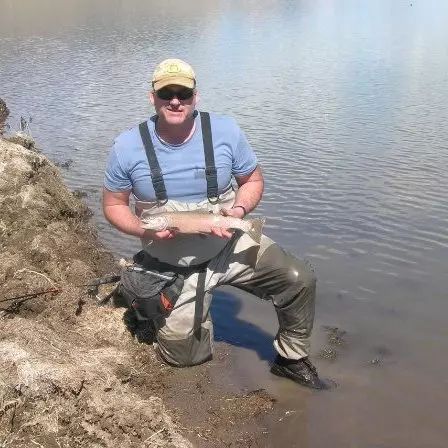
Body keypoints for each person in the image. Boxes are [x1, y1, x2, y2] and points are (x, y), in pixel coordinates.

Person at [103, 58, 328, 389]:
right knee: (184, 357)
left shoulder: (226, 130)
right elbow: (113, 204)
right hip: (169, 260)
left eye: (184, 93)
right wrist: (142, 229)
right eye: (167, 94)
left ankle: (291, 359)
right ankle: (143, 290)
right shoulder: (126, 145)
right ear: (153, 97)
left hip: (227, 242)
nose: (176, 101)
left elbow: (252, 181)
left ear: (196, 96)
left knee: (298, 278)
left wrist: (237, 212)